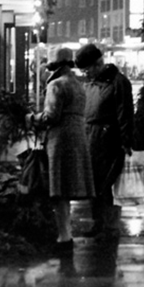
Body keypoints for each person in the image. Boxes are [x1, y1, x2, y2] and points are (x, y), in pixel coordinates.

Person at [26, 48, 95, 260]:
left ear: (55, 66)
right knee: (67, 186)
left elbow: (51, 116)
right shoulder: (78, 84)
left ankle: (64, 237)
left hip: (60, 139)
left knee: (59, 191)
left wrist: (31, 118)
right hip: (78, 138)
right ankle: (66, 235)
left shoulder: (56, 85)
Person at [75, 43, 135, 239]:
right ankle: (98, 223)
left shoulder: (118, 82)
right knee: (94, 183)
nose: (86, 74)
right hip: (91, 138)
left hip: (109, 140)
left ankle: (110, 227)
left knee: (108, 184)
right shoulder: (91, 82)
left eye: (87, 69)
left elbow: (125, 113)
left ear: (98, 64)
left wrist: (126, 141)